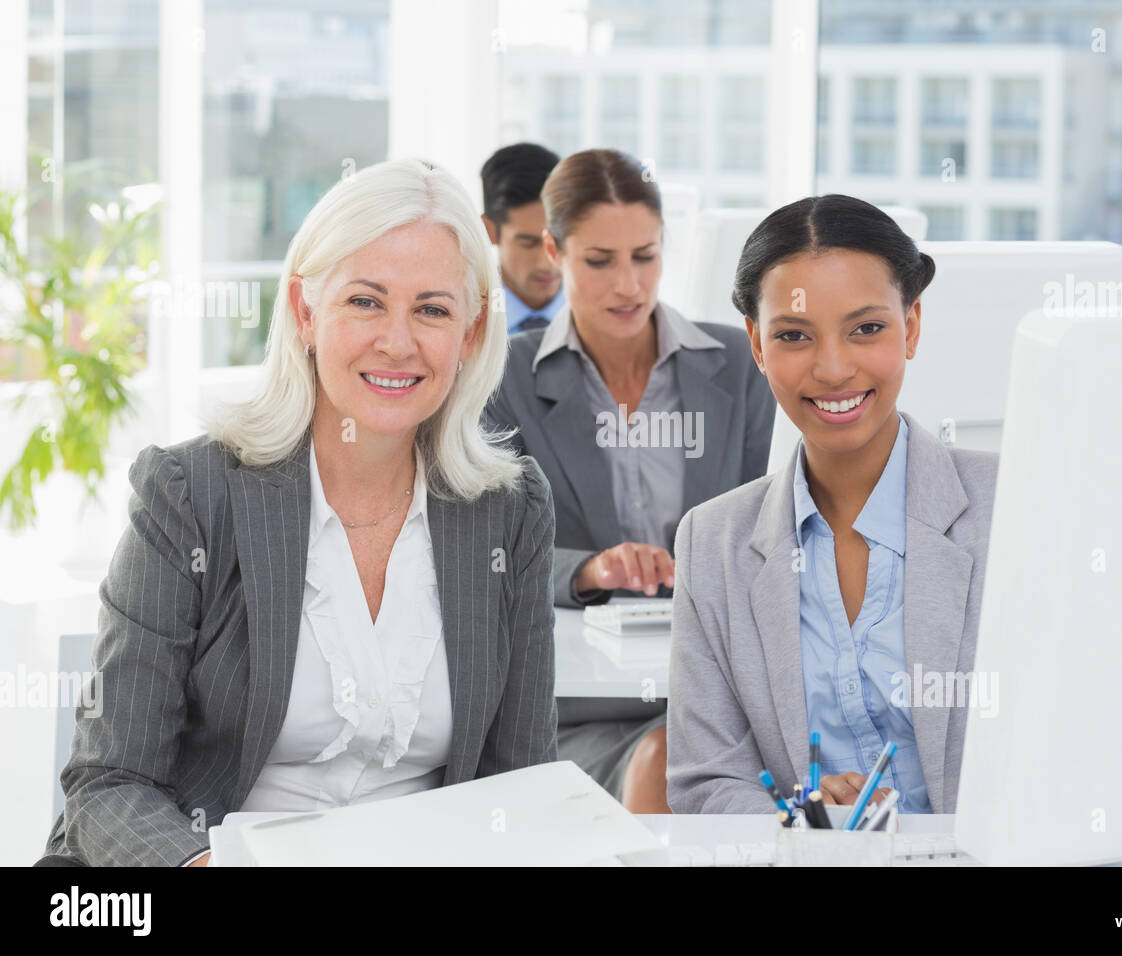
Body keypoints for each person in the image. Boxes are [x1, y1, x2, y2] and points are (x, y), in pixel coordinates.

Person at [38, 158, 558, 867]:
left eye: (432, 309)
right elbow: (108, 781)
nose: (397, 341)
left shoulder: (510, 509)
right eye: (366, 301)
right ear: (307, 313)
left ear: (469, 337)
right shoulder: (189, 493)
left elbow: (519, 784)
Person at [666, 195, 999, 815]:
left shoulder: (1012, 509)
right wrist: (801, 820)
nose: (833, 367)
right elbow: (708, 781)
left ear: (913, 327)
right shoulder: (711, 542)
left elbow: (1079, 745)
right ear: (758, 346)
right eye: (794, 336)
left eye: (866, 328)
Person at [482, 148, 775, 812]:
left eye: (644, 256)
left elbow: (768, 526)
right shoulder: (505, 377)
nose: (627, 286)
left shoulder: (737, 361)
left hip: (714, 686)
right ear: (554, 252)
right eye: (600, 261)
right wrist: (591, 571)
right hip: (583, 702)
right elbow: (487, 550)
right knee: (664, 764)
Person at [480, 142, 566, 334]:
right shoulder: (464, 323)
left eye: (558, 239)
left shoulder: (606, 314)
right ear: (489, 231)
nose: (548, 263)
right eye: (528, 243)